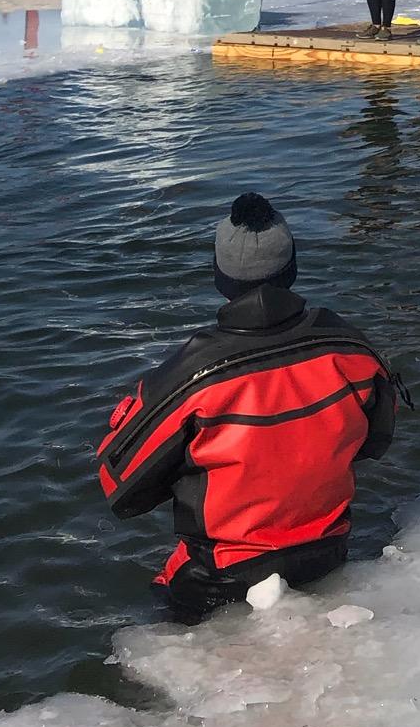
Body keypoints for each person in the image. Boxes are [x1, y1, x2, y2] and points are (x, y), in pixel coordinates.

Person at [96, 192, 401, 623]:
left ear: (220, 277)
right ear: (292, 267)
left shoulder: (192, 374)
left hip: (220, 576)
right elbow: (377, 441)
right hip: (328, 553)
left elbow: (120, 488)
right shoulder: (351, 348)